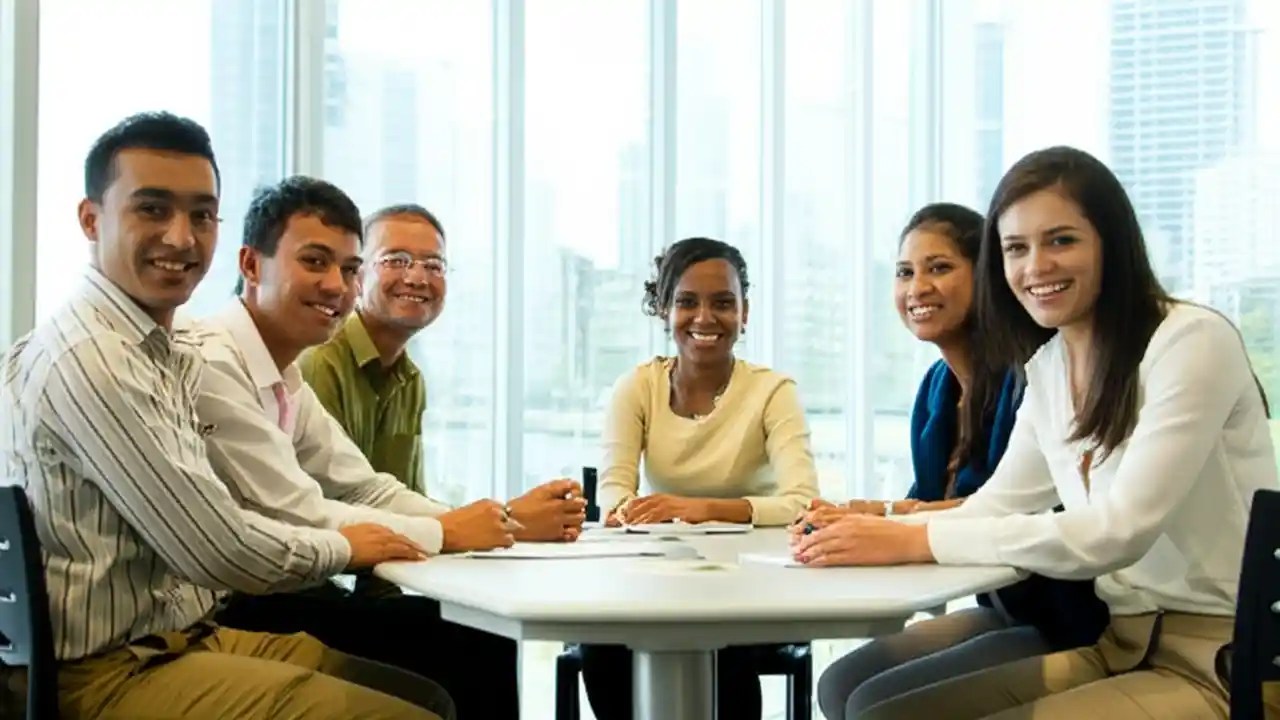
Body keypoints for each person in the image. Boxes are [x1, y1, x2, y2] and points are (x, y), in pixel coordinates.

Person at [792, 146, 1279, 719]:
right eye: (1016, 248)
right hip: (1122, 644)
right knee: (881, 712)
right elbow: (997, 504)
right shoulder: (1048, 369)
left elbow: (1117, 532)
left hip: (1226, 663)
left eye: (1061, 241)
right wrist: (870, 532)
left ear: (1112, 242)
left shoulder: (1191, 340)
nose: (1036, 267)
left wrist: (913, 539)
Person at [0, 111, 453, 719]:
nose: (181, 238)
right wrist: (350, 547)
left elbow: (348, 488)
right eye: (152, 209)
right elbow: (220, 549)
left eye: (201, 215)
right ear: (91, 219)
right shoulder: (98, 358)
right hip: (103, 672)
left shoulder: (157, 349)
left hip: (177, 638)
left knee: (428, 693)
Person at [196, 180, 555, 718]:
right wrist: (452, 531)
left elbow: (364, 486)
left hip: (289, 590)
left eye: (347, 269)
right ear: (251, 264)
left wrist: (482, 523)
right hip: (234, 607)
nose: (335, 285)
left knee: (479, 641)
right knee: (468, 650)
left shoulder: (284, 372)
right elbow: (298, 511)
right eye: (315, 262)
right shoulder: (220, 361)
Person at [813, 203, 1108, 719]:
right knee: (838, 684)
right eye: (905, 272)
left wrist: (885, 523)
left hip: (1062, 618)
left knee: (871, 705)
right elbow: (931, 503)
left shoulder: (1030, 377)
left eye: (939, 268)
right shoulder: (936, 388)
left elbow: (1014, 511)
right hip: (1002, 608)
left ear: (987, 277)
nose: (917, 287)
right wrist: (860, 517)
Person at [580, 236, 821, 720]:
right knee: (601, 645)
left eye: (723, 303)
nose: (705, 318)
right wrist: (633, 512)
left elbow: (803, 502)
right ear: (664, 309)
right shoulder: (636, 388)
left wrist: (701, 509)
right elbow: (614, 500)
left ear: (744, 313)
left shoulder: (772, 391)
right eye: (687, 302)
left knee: (721, 645)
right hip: (662, 572)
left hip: (754, 579)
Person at [297, 202, 586, 544]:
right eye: (396, 260)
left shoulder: (409, 379)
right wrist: (512, 520)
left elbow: (398, 500)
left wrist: (498, 522)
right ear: (357, 276)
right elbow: (328, 510)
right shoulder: (320, 362)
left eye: (433, 265)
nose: (417, 278)